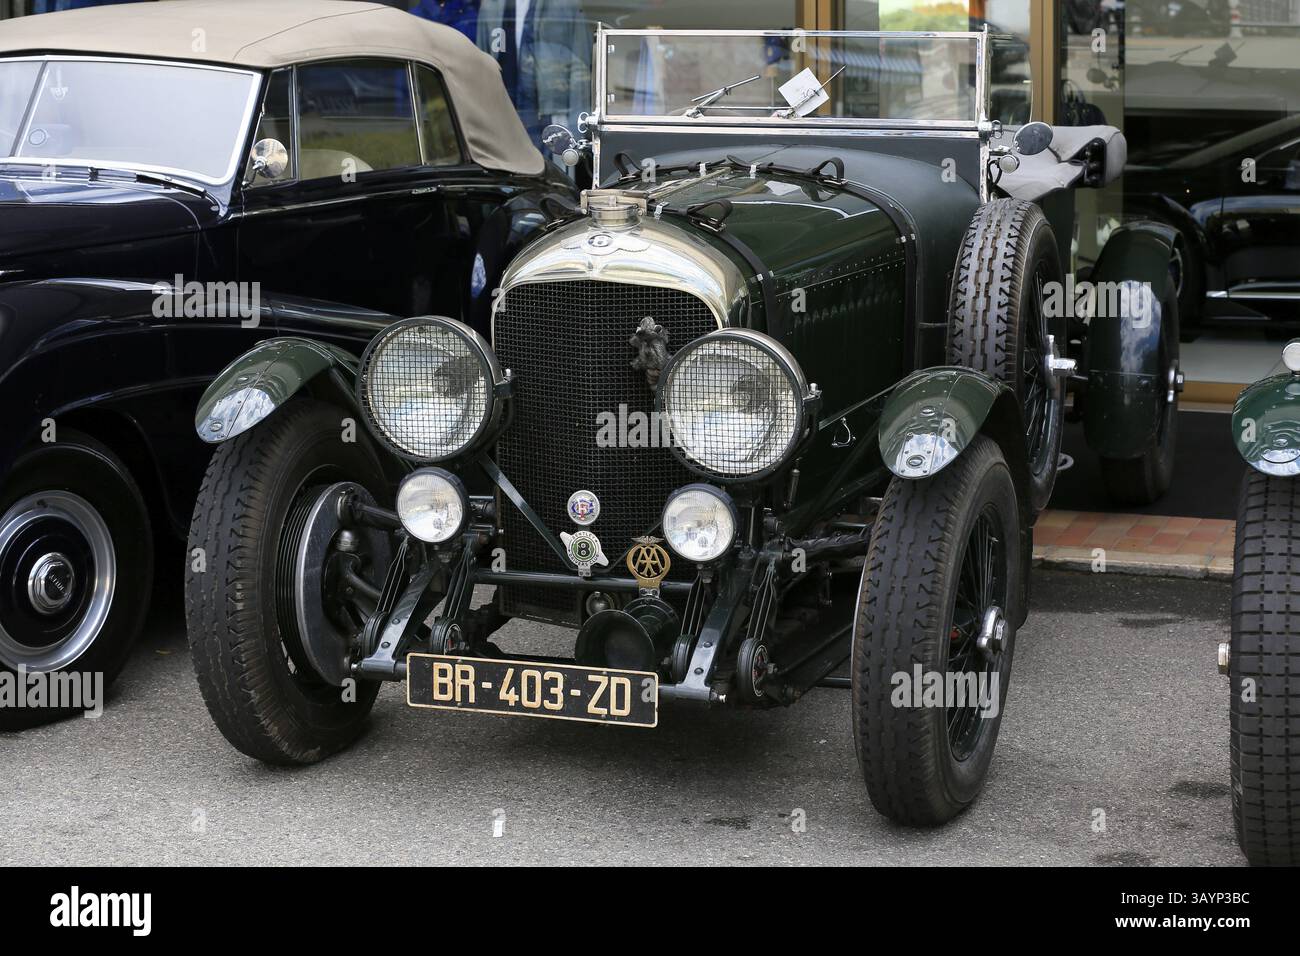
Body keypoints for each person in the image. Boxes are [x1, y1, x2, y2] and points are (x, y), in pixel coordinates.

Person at [477, 0, 591, 146]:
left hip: (551, 116)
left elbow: (581, 66)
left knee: (551, 166)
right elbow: (482, 67)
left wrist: (577, 132)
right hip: (502, 118)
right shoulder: (492, 5)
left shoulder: (565, 5)